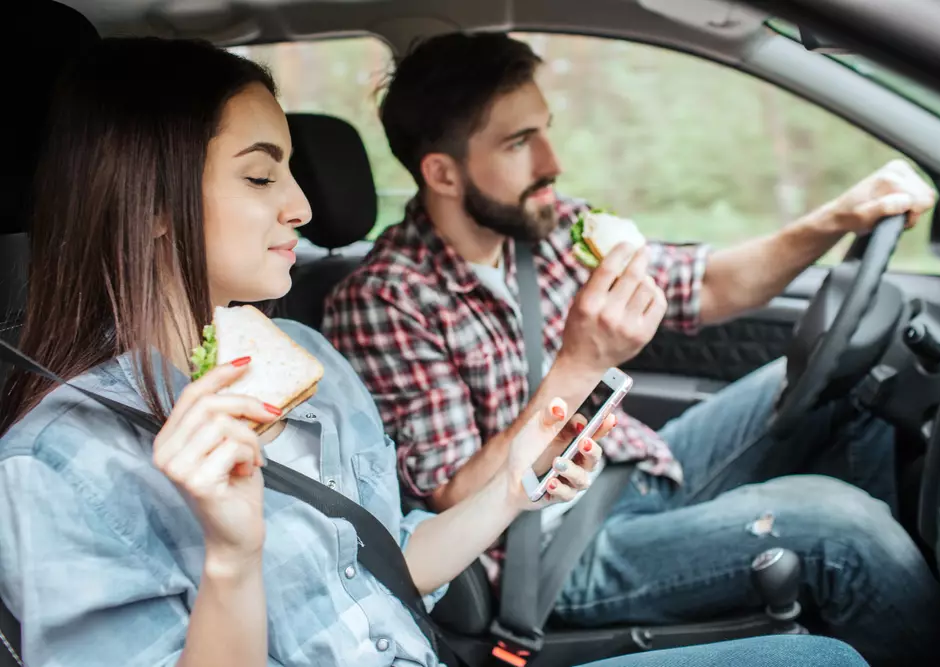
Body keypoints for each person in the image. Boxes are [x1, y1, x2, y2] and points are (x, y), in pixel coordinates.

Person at [0, 35, 872, 667]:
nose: (303, 207)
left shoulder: (303, 356)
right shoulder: (55, 467)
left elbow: (389, 564)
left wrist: (516, 484)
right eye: (262, 176)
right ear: (151, 204)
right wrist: (232, 557)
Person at [324, 32, 940, 667]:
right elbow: (454, 495)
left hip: (628, 463)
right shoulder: (385, 300)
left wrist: (836, 218)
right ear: (442, 172)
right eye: (518, 143)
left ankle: (861, 617)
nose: (552, 160)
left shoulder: (547, 227)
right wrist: (580, 365)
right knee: (843, 529)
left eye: (546, 130)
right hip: (548, 552)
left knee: (847, 382)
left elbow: (706, 284)